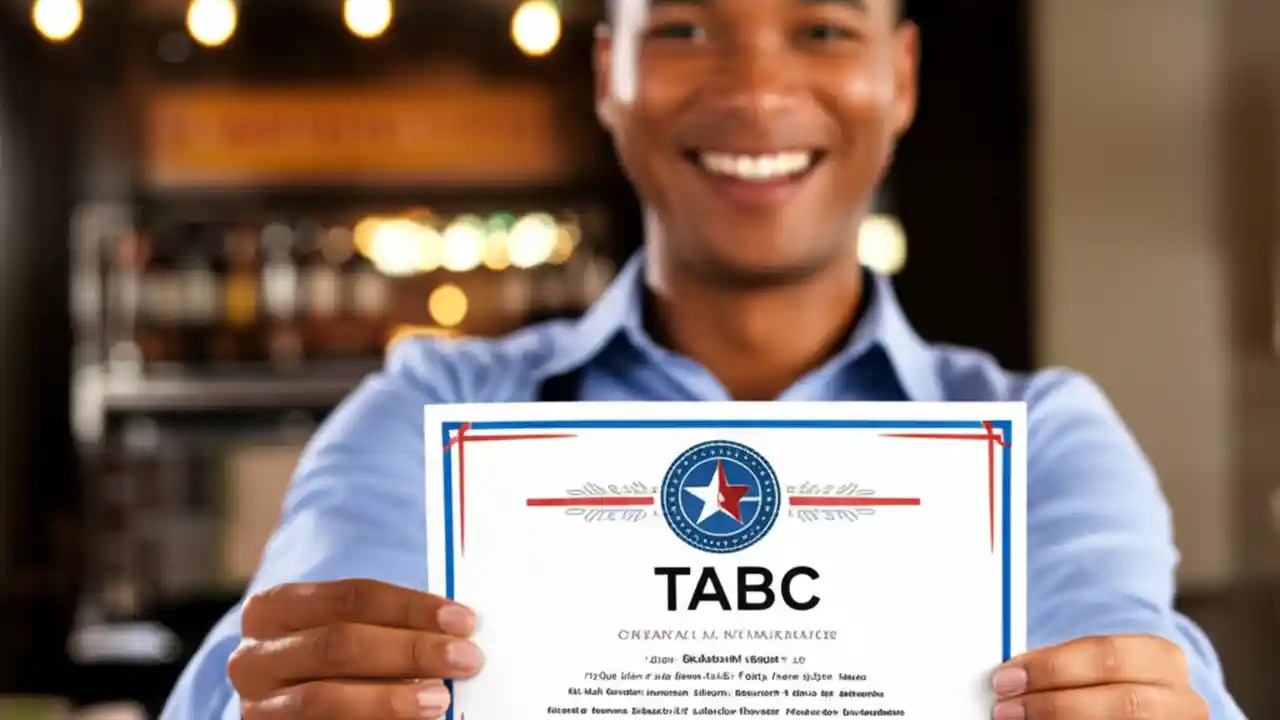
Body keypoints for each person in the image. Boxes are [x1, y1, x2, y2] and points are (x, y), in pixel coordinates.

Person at [163, 0, 1242, 717]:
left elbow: (1125, 636)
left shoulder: (1042, 437)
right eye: (682, 25)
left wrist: (1149, 697)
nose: (756, 90)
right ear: (606, 73)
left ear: (900, 74)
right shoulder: (429, 408)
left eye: (819, 27)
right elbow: (254, 668)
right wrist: (290, 689)